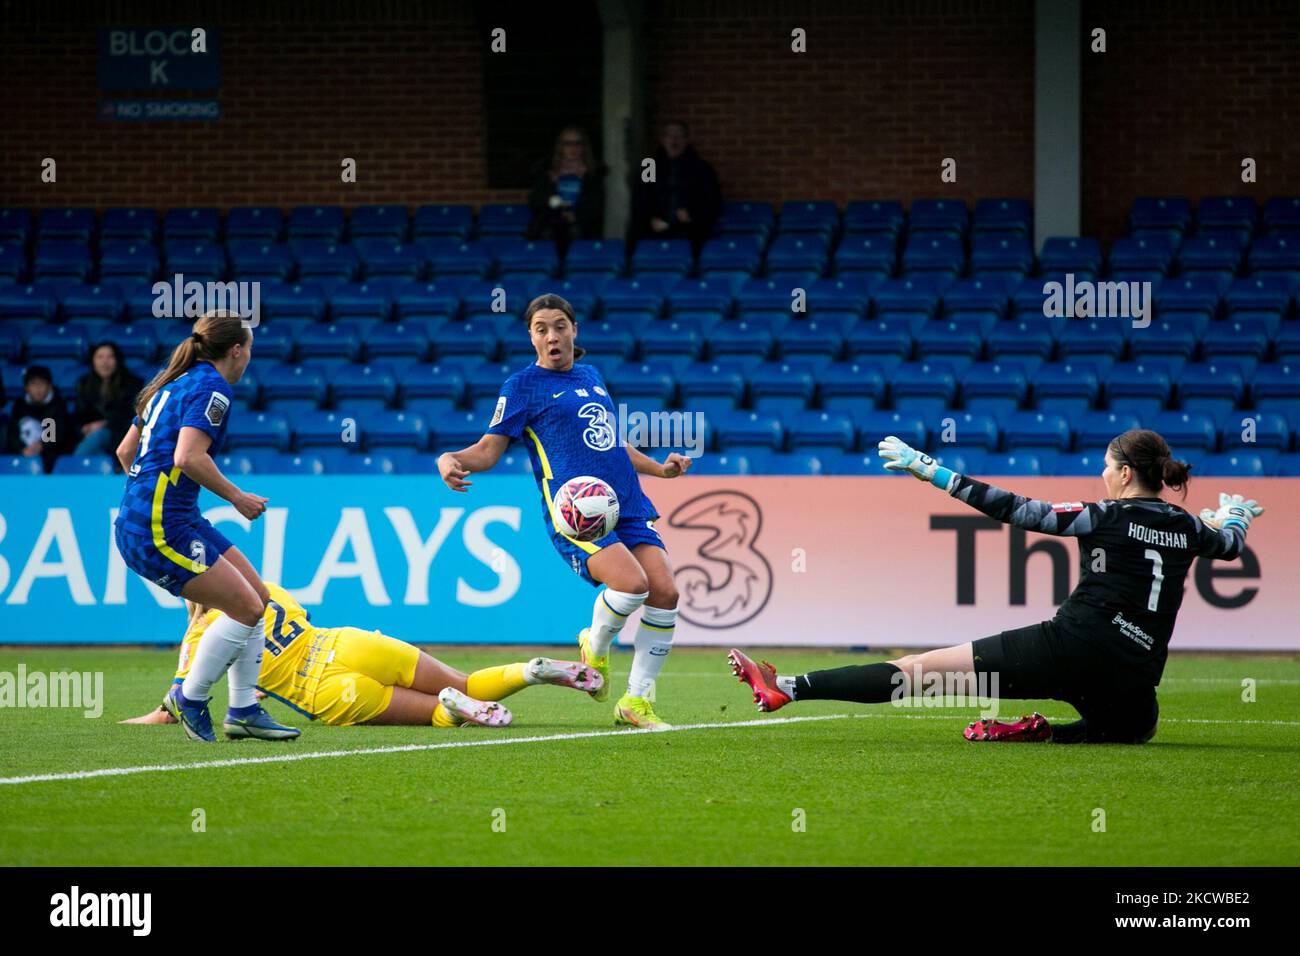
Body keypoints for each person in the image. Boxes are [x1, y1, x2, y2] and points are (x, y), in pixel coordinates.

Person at [729, 429, 1264, 745]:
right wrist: (1233, 514)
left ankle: (790, 687)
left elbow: (1018, 510)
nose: (1102, 474)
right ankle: (1040, 731)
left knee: (922, 674)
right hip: (1132, 671)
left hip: (1070, 647)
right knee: (1135, 728)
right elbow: (1231, 544)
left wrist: (933, 471)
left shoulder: (1100, 515)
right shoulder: (1190, 526)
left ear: (1125, 474)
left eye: (1106, 466)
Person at [437, 293, 693, 730]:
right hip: (577, 510)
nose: (552, 336)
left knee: (666, 592)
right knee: (632, 586)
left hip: (625, 504)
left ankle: (636, 701)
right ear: (531, 337)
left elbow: (611, 442)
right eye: (541, 329)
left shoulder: (591, 375)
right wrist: (450, 458)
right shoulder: (521, 387)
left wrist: (660, 470)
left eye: (560, 326)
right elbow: (487, 450)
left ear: (574, 330)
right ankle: (594, 644)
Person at [114, 311, 297, 743]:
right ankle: (189, 699)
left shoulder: (168, 384)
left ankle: (244, 711)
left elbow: (126, 452)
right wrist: (238, 498)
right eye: (249, 349)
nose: (250, 357)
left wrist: (149, 497)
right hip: (160, 529)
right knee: (248, 610)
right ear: (237, 350)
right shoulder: (212, 387)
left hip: (169, 519)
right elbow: (187, 458)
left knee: (259, 599)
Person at [121, 582, 603, 731]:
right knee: (472, 681)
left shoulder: (200, 637)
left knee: (438, 711)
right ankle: (533, 670)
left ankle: (453, 709)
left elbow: (175, 707)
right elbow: (298, 616)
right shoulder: (259, 588)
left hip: (326, 691)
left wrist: (134, 722)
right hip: (345, 642)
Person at [631, 120, 722, 255]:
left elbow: (712, 200)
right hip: (654, 232)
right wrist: (651, 219)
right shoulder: (649, 166)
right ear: (663, 140)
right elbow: (641, 198)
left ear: (686, 140)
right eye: (670, 136)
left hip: (690, 233)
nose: (674, 140)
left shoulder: (702, 169)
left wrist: (692, 215)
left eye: (679, 136)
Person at [527, 126, 605, 256]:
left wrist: (575, 216)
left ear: (584, 147)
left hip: (582, 230)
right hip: (549, 227)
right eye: (568, 144)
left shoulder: (593, 175)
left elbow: (596, 205)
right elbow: (535, 201)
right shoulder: (546, 172)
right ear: (560, 147)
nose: (573, 148)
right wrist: (556, 202)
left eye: (577, 144)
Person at [74, 341, 143, 457]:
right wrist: (84, 428)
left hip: (122, 435)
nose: (104, 362)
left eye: (110, 357)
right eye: (100, 357)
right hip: (90, 437)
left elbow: (133, 415)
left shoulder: (133, 383)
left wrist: (105, 424)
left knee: (99, 436)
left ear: (117, 360)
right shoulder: (84, 384)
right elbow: (79, 415)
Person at [5, 364, 74, 472]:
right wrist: (22, 449)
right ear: (26, 388)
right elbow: (13, 433)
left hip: (49, 457)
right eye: (33, 384)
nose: (38, 389)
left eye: (41, 384)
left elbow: (60, 434)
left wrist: (41, 446)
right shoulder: (19, 405)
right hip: (23, 453)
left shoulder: (57, 404)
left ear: (49, 386)